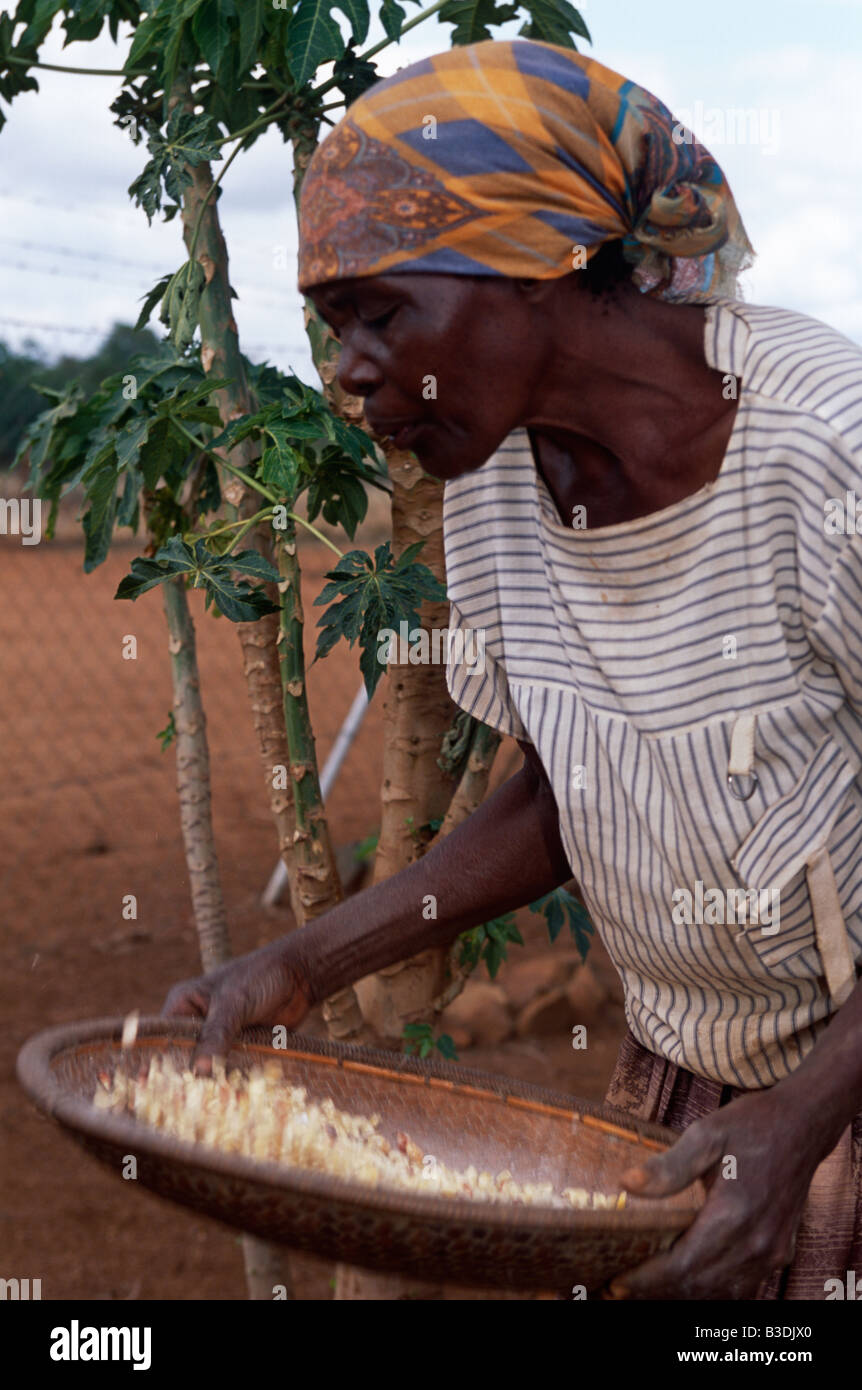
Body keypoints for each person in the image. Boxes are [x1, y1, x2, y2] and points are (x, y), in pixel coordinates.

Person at [163, 38, 862, 1299]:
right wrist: (304, 962)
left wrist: (805, 1115)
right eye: (331, 328)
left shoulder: (827, 454)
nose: (347, 372)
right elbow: (557, 793)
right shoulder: (490, 480)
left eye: (380, 312)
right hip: (686, 1083)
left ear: (538, 261)